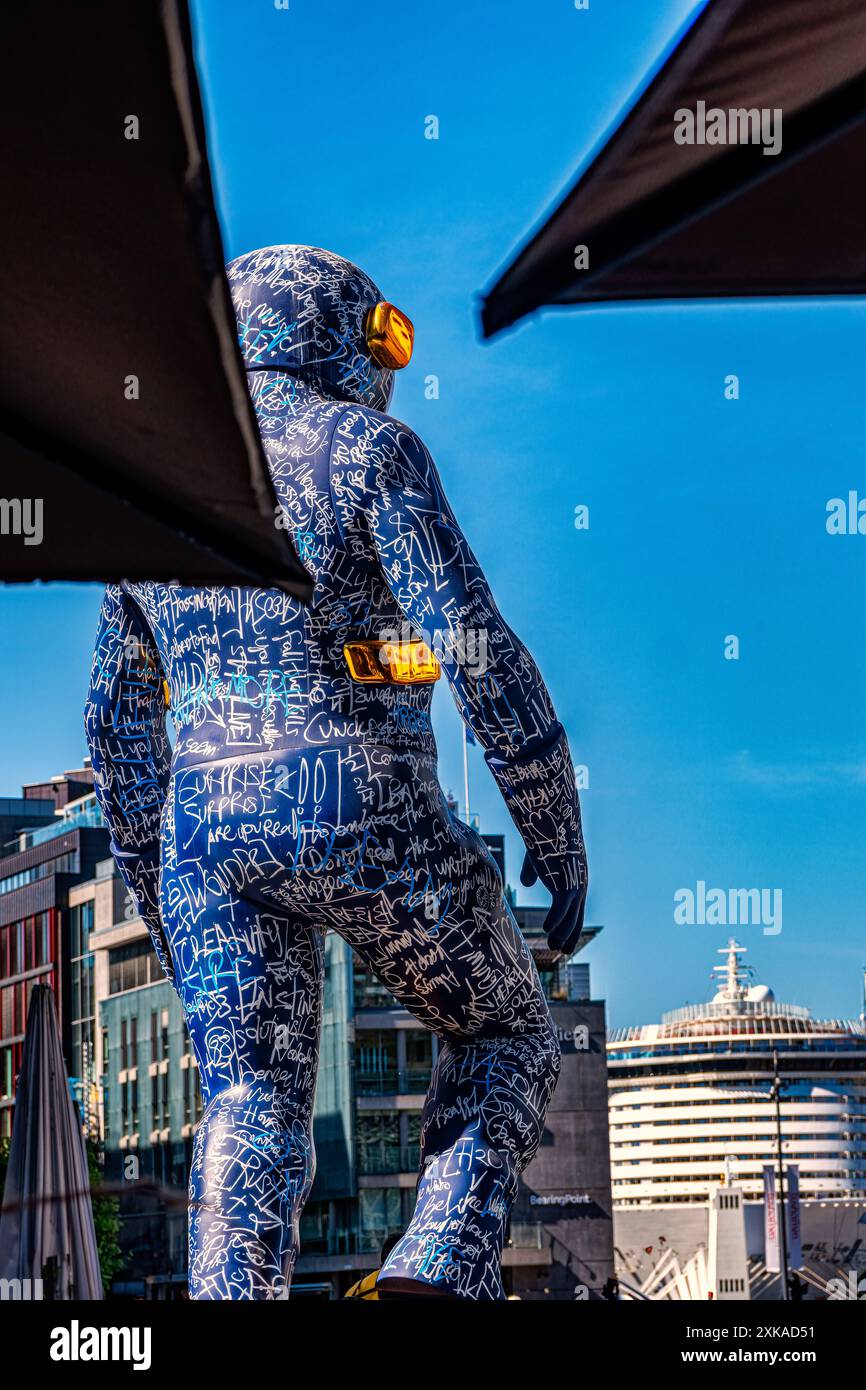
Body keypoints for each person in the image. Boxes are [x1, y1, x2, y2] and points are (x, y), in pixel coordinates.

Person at [85, 245, 587, 1300]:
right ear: (343, 340)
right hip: (363, 801)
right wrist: (551, 824)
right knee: (506, 1028)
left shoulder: (152, 491)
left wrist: (159, 896)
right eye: (383, 343)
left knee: (247, 1101)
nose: (390, 369)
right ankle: (433, 1268)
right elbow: (476, 647)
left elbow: (115, 728)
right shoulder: (367, 449)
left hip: (205, 837)